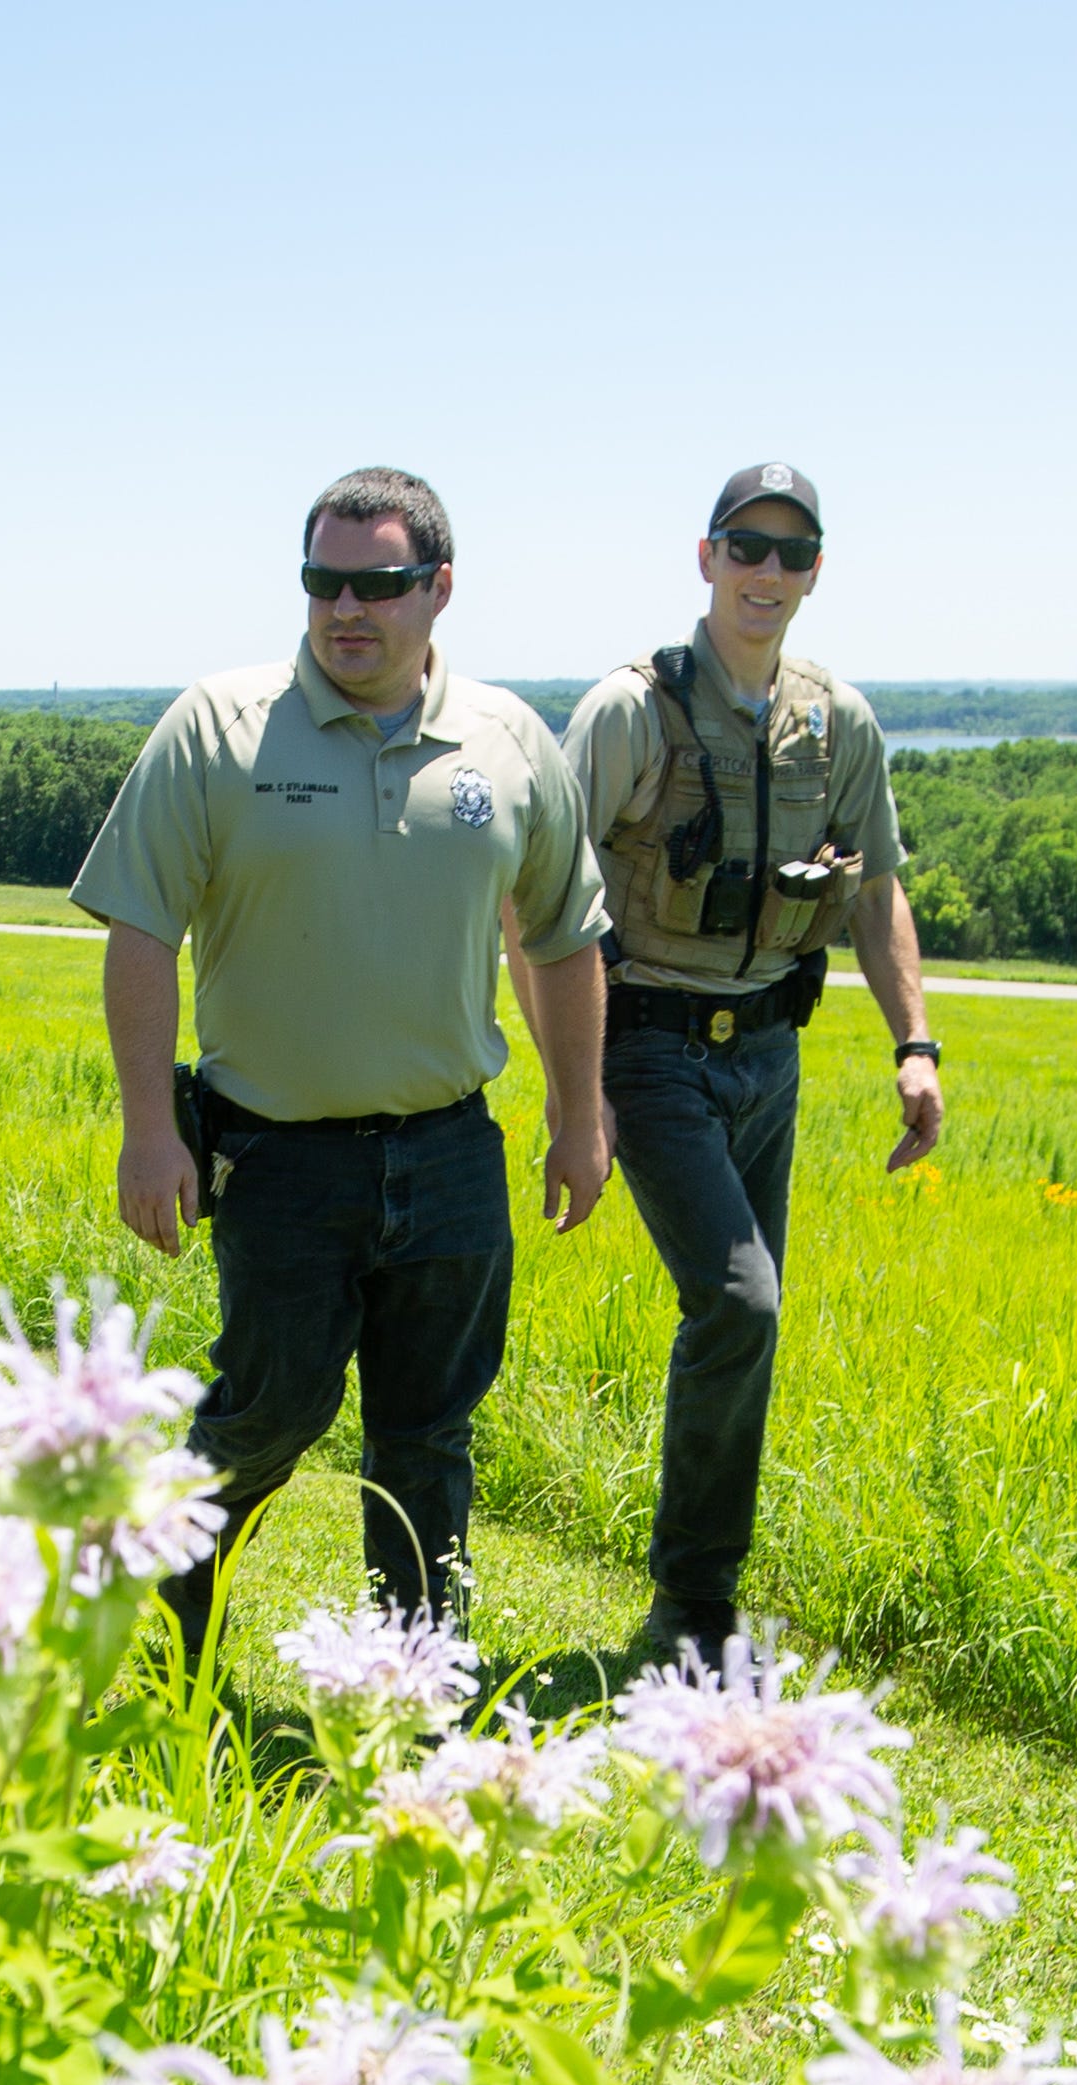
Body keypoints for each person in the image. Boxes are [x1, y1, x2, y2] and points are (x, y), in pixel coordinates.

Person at [75, 464, 608, 1656]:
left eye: (376, 584)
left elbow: (567, 938)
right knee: (268, 1416)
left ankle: (412, 1685)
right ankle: (164, 1637)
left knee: (429, 1435)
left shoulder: (508, 740)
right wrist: (150, 1130)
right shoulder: (218, 726)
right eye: (323, 582)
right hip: (278, 1159)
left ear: (440, 589)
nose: (344, 609)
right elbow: (140, 929)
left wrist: (584, 1115)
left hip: (451, 1151)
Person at [559, 461, 945, 1674]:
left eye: (791, 553)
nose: (766, 573)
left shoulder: (836, 723)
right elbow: (546, 897)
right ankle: (695, 1606)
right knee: (738, 1301)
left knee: (748, 1325)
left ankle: (700, 1599)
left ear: (815, 569)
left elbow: (876, 887)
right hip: (649, 1040)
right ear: (706, 557)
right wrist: (577, 1093)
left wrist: (915, 1045)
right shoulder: (633, 712)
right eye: (746, 547)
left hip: (770, 1049)